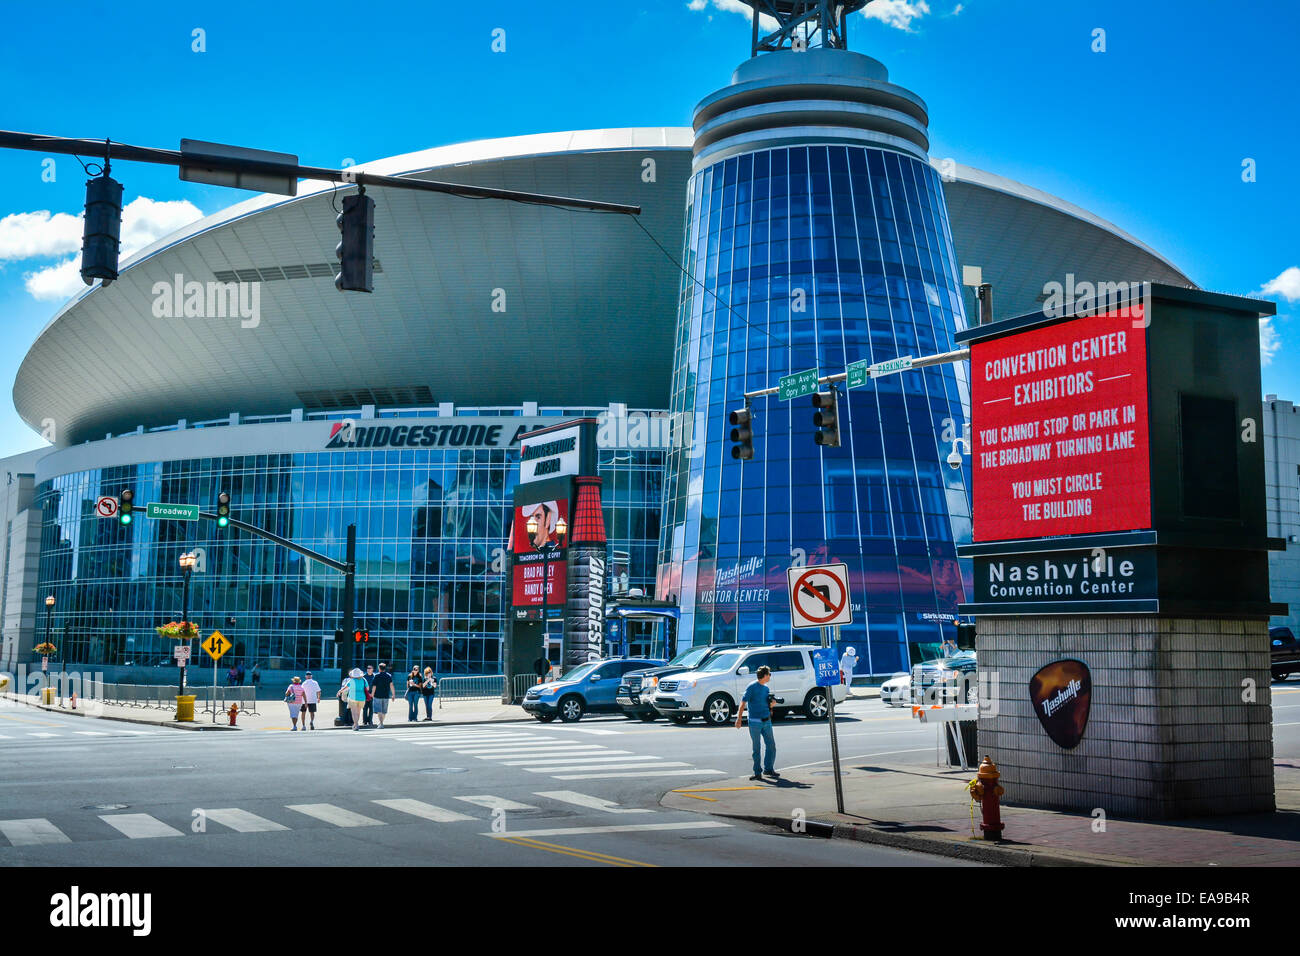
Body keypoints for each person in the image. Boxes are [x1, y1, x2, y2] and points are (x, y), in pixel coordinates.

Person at [734, 665, 778, 781]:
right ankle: (757, 772)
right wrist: (739, 719)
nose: (770, 676)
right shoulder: (752, 687)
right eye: (769, 674)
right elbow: (743, 703)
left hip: (766, 721)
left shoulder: (766, 688)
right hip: (754, 722)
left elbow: (767, 705)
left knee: (771, 746)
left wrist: (772, 706)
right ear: (764, 675)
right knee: (756, 748)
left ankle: (768, 769)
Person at [369, 662, 396, 728]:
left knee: (379, 710)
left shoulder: (376, 676)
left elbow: (374, 686)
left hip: (377, 695)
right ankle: (381, 723)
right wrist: (393, 695)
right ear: (385, 668)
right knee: (384, 711)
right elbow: (391, 685)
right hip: (386, 695)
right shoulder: (389, 675)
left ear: (379, 668)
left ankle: (381, 723)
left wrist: (372, 694)